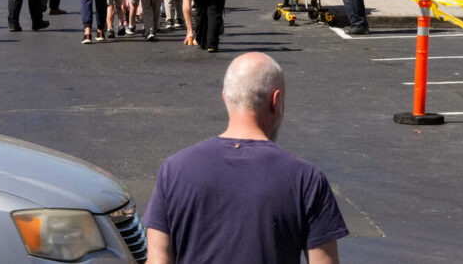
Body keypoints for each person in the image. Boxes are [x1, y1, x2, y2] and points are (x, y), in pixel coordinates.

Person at [144, 52, 348, 263]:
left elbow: (158, 260)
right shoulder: (306, 178)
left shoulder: (174, 170)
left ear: (225, 97)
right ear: (275, 101)